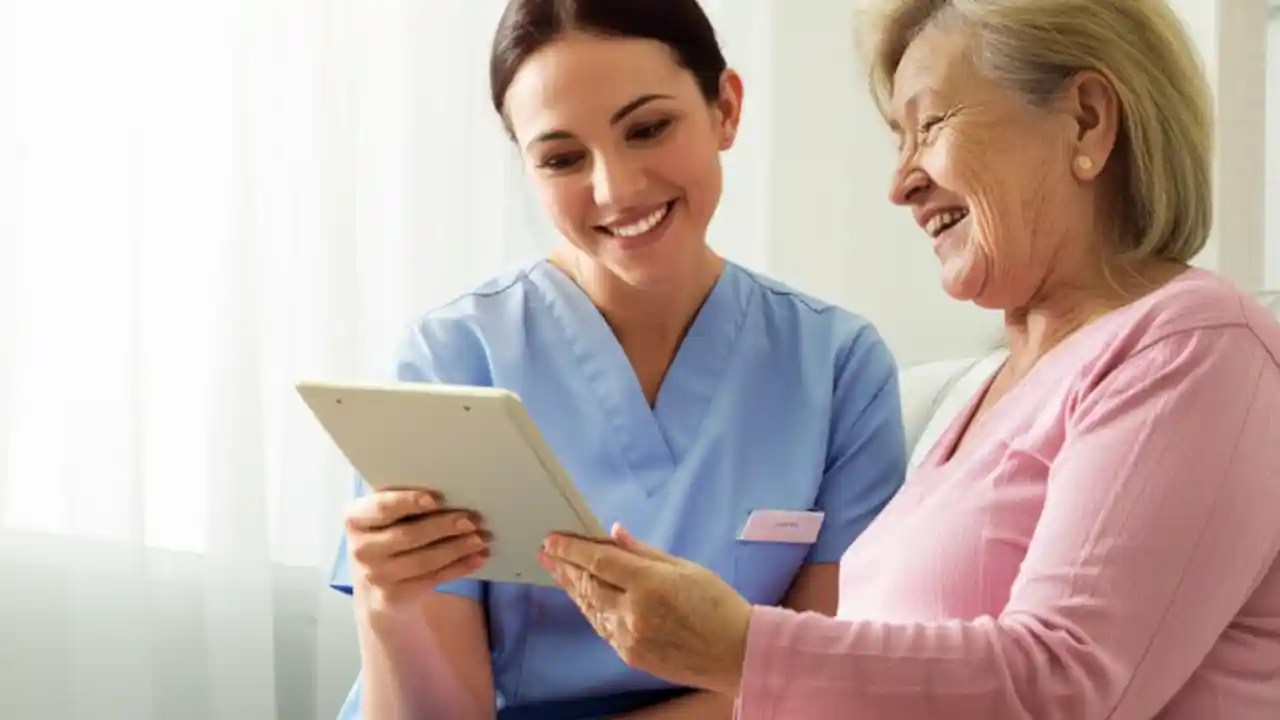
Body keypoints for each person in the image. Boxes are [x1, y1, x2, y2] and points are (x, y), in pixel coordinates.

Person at [541, 1, 1280, 717]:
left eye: (929, 126)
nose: (901, 184)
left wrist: (739, 646)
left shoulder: (1196, 346)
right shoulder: (986, 392)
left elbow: (1065, 685)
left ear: (1086, 119)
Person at [326, 1, 908, 718]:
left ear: (725, 108)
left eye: (649, 128)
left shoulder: (837, 369)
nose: (616, 188)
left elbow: (823, 688)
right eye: (563, 158)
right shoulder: (451, 360)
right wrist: (390, 604)